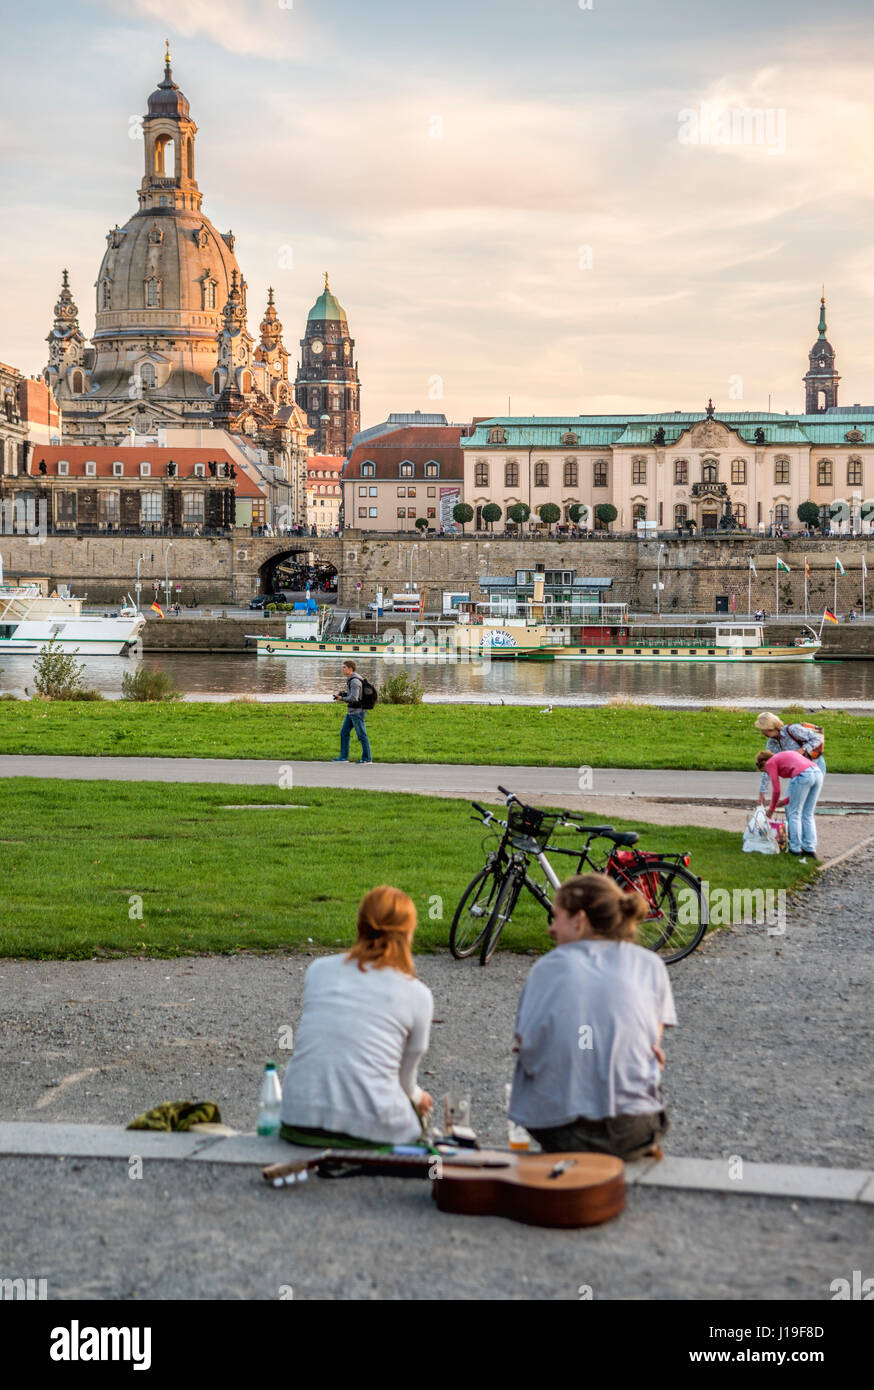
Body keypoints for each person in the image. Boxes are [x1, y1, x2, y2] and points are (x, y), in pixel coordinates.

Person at [508, 874, 676, 1161]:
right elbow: (652, 1050)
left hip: (558, 1132)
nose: (551, 929)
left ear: (579, 920)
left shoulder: (546, 969)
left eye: (556, 918)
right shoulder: (651, 966)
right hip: (634, 1129)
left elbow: (528, 1047)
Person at [279, 886, 434, 1146]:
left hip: (297, 1117)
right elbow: (405, 1082)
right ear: (408, 932)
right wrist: (419, 1098)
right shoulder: (417, 994)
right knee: (419, 1122)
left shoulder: (318, 971)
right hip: (370, 1128)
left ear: (360, 925)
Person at [754, 711, 826, 816]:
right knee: (791, 807)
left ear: (769, 727)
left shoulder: (793, 730)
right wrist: (762, 792)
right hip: (798, 773)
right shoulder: (771, 743)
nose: (762, 732)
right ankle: (795, 831)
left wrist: (803, 749)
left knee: (804, 808)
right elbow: (768, 767)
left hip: (815, 766)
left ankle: (800, 831)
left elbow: (817, 738)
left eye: (762, 729)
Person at [755, 747, 823, 858]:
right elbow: (799, 793)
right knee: (808, 814)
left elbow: (777, 790)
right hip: (817, 772)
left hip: (803, 775)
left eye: (765, 772)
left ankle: (795, 849)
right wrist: (783, 802)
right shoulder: (784, 756)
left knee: (794, 813)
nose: (768, 773)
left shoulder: (770, 763)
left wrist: (771, 809)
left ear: (763, 764)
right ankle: (809, 848)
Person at [332, 659, 373, 764]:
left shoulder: (354, 681)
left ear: (350, 669)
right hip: (351, 712)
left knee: (361, 735)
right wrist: (343, 694)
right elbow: (354, 695)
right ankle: (343, 757)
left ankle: (367, 759)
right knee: (344, 732)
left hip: (357, 712)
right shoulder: (353, 679)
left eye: (344, 667)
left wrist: (342, 699)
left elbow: (354, 698)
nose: (342, 669)